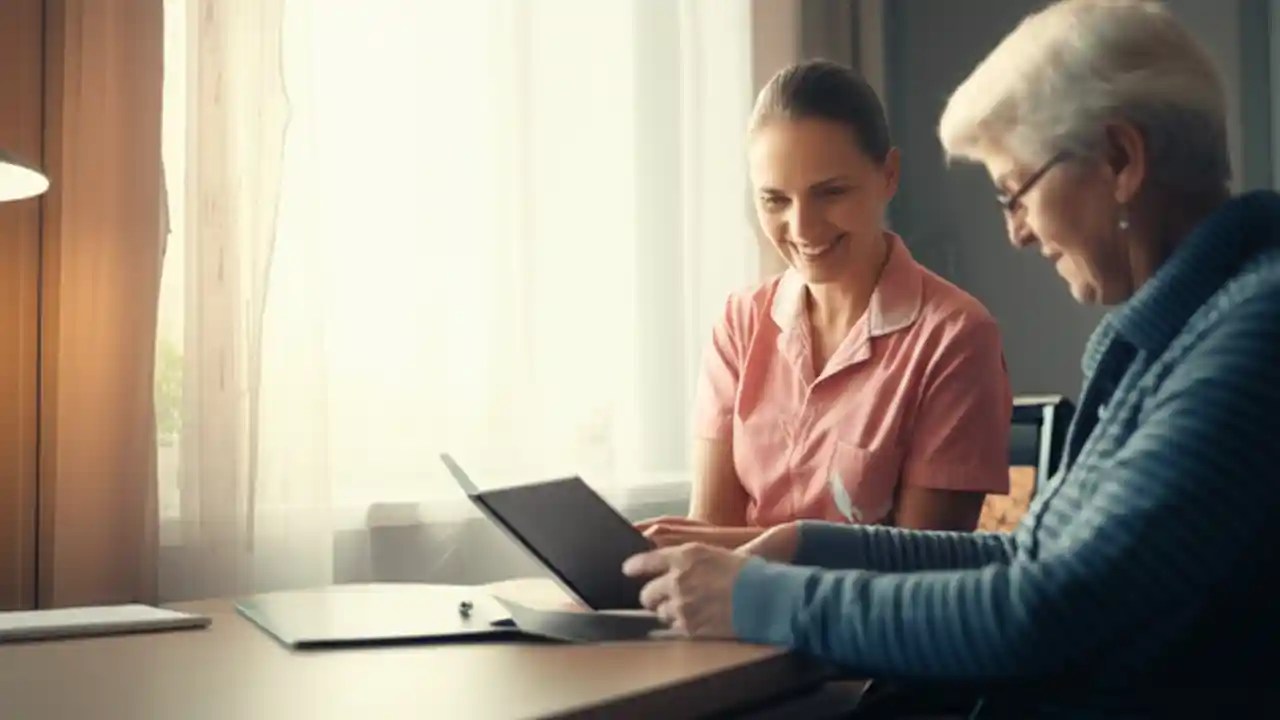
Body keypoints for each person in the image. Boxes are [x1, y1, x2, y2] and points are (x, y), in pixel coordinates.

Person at [623, 0, 1280, 715]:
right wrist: (804, 545)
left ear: (1121, 160)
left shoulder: (1250, 337)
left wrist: (759, 596)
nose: (1017, 234)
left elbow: (1040, 611)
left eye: (1014, 192)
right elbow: (1030, 559)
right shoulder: (1187, 334)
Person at [638, 60, 1011, 549]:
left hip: (866, 626)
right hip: (727, 621)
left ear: (889, 175)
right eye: (774, 200)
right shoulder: (741, 322)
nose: (803, 229)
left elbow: (923, 569)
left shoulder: (956, 337)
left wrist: (774, 547)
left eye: (830, 193)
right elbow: (708, 531)